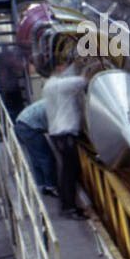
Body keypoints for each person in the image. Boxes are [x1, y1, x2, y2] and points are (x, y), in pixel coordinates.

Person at [42, 60, 88, 219]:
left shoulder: (49, 85)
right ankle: (69, 209)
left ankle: (68, 206)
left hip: (58, 133)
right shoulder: (61, 85)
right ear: (57, 67)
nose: (65, 69)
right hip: (65, 134)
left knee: (66, 172)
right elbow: (83, 80)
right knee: (69, 172)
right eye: (63, 65)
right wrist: (86, 67)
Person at [13, 99, 57, 197]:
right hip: (30, 128)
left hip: (21, 124)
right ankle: (51, 187)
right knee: (46, 158)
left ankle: (41, 185)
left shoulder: (47, 101)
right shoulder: (54, 107)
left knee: (36, 158)